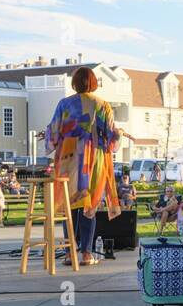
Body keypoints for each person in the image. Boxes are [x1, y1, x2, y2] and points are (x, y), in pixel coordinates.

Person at [44, 66, 131, 266]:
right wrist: (119, 133)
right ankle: (86, 253)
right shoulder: (104, 105)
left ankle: (68, 253)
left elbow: (54, 132)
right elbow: (111, 137)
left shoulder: (65, 104)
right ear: (93, 83)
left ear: (75, 83)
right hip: (96, 160)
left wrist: (48, 136)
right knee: (89, 206)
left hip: (70, 159)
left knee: (70, 204)